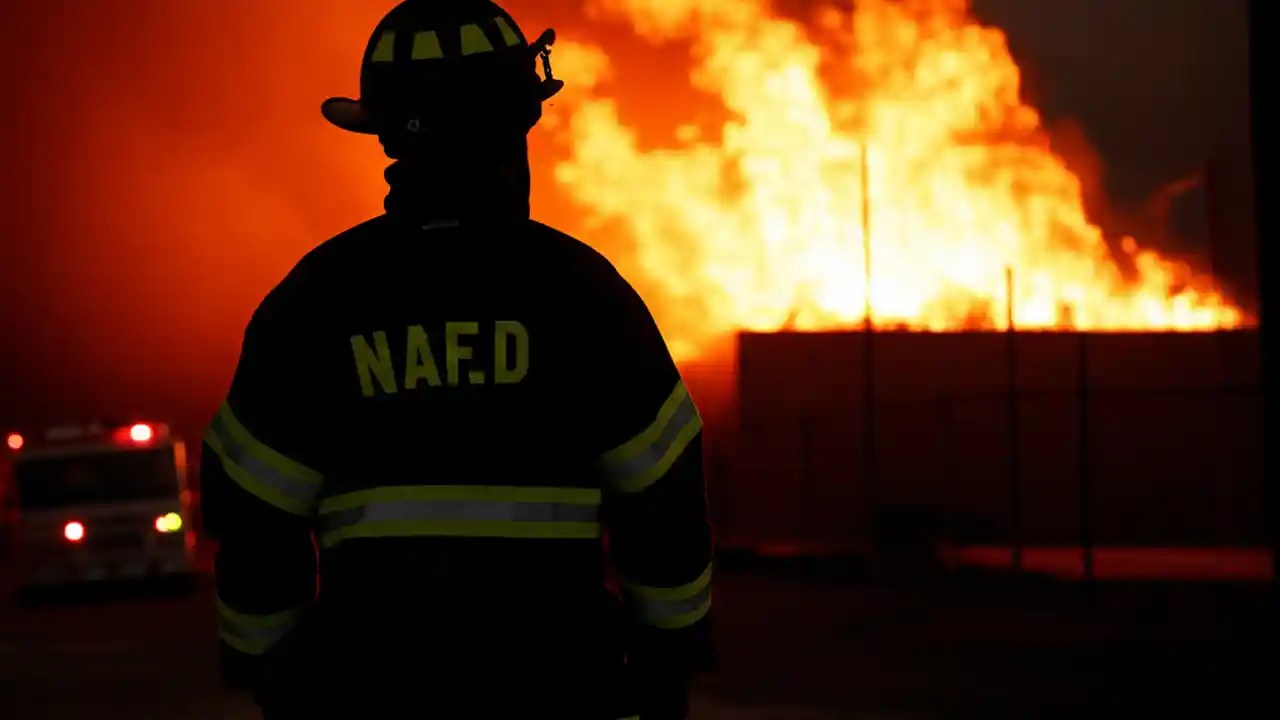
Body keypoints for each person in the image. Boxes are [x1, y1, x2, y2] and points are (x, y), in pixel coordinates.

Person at [198, 1, 716, 717]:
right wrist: (667, 663)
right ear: (518, 128)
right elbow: (665, 503)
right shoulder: (586, 295)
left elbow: (253, 518)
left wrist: (271, 672)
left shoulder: (315, 301)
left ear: (384, 137)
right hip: (562, 693)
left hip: (369, 698)